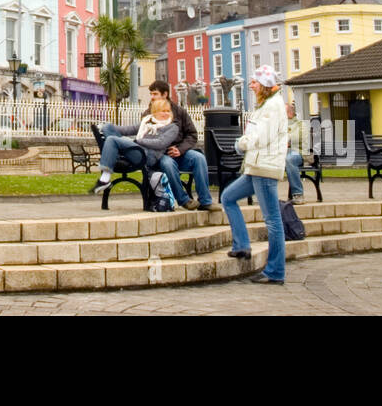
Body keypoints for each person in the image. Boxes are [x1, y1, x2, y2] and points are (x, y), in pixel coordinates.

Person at [221, 65, 289, 285]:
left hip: (265, 168)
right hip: (256, 167)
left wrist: (240, 144)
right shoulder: (267, 105)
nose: (251, 84)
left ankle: (275, 272)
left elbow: (259, 136)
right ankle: (241, 245)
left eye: (254, 81)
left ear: (265, 85)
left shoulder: (273, 107)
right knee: (228, 197)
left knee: (273, 221)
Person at [147, 81, 221, 212]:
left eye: (155, 94)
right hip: (161, 156)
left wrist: (179, 150)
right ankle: (184, 200)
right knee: (168, 164)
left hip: (181, 153)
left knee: (199, 157)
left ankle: (205, 201)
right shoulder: (148, 115)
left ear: (165, 94)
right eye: (151, 94)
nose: (152, 97)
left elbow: (192, 135)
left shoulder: (180, 112)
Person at [91, 98, 179, 195]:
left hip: (148, 156)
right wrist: (104, 127)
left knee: (112, 139)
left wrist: (138, 141)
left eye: (168, 111)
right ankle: (115, 158)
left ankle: (105, 178)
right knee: (108, 127)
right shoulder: (147, 122)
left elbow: (161, 143)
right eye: (163, 111)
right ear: (155, 112)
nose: (166, 113)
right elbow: (126, 130)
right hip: (137, 151)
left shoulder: (172, 127)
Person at [285, 101, 310, 205]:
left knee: (289, 159)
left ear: (290, 113)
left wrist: (285, 137)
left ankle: (298, 194)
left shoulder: (301, 124)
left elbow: (296, 138)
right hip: (281, 153)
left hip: (298, 153)